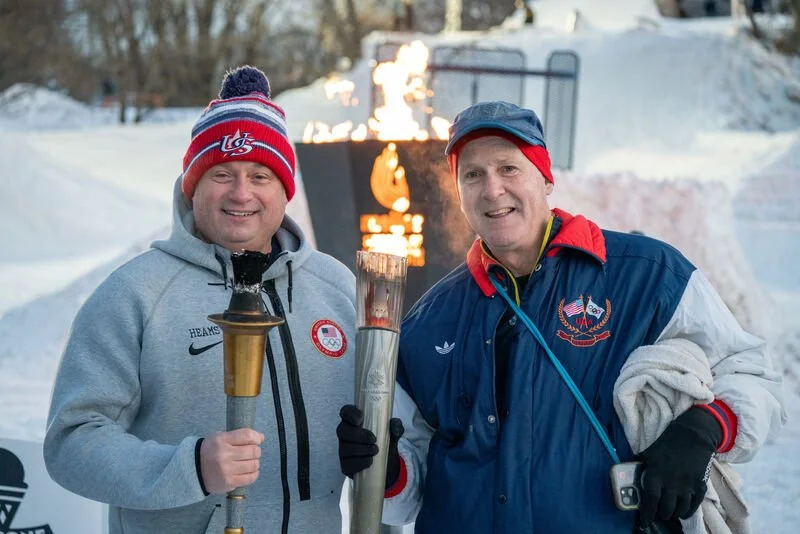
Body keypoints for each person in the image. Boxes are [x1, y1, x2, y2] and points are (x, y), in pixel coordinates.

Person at [337, 101, 785, 532]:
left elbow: (755, 374)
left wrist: (704, 429)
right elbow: (405, 497)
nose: (492, 190)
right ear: (460, 193)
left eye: (508, 168)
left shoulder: (646, 276)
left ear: (544, 177)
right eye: (473, 175)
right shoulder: (429, 322)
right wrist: (384, 466)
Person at [44, 66, 356, 534]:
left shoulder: (335, 287)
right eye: (222, 174)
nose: (241, 193)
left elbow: (392, 420)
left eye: (260, 175)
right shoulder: (136, 294)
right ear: (193, 187)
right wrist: (189, 468)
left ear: (285, 189)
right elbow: (72, 441)